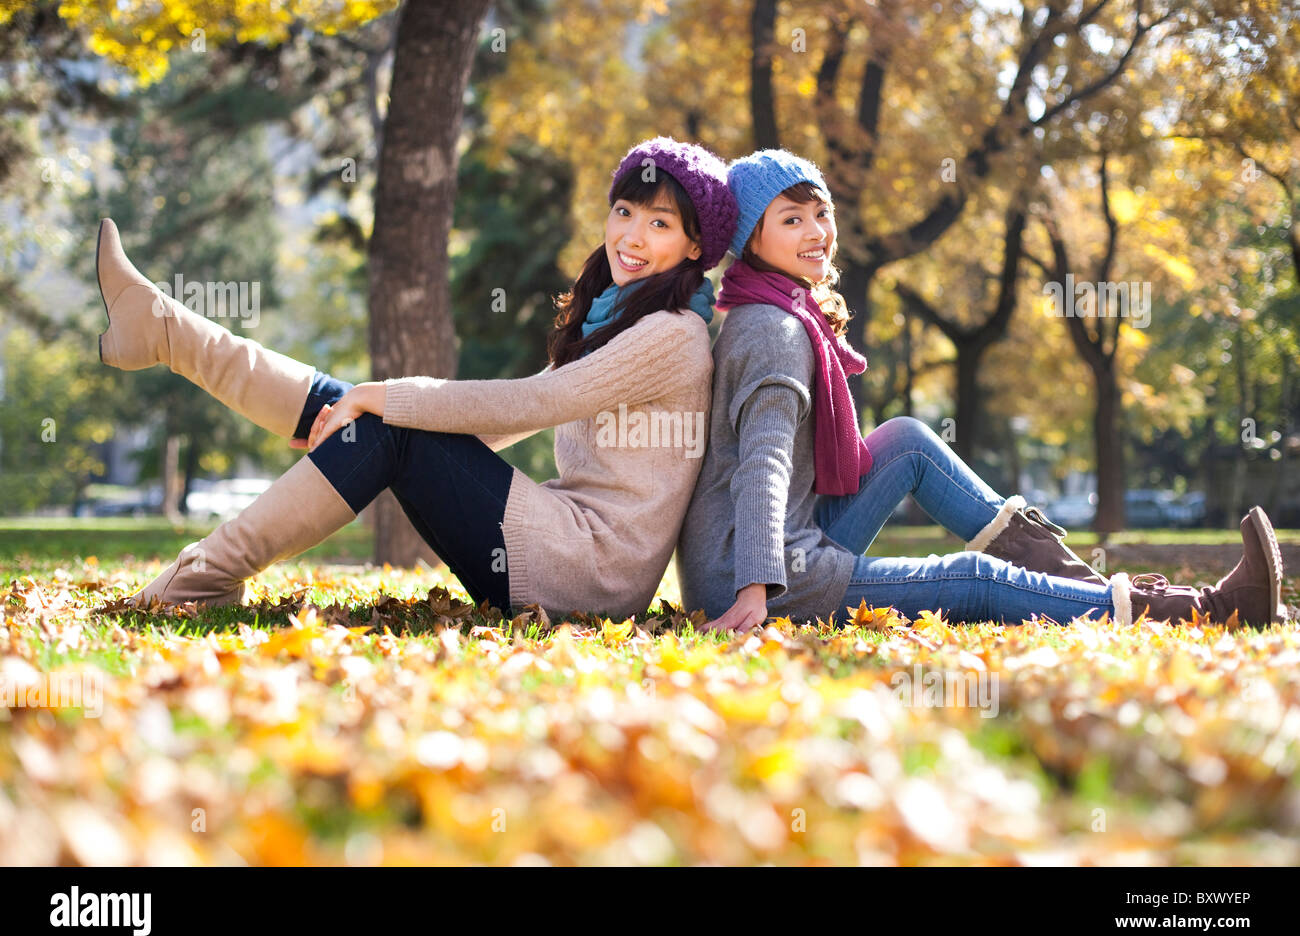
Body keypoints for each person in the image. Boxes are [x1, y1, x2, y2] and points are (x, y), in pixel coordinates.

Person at [96, 136, 739, 619]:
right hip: (567, 553)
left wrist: (388, 402)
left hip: (589, 573)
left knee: (388, 422)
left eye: (660, 224)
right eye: (625, 211)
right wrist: (380, 421)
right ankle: (169, 334)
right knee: (378, 421)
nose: (632, 234)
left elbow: (536, 399)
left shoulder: (672, 334)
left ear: (692, 249)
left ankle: (205, 572)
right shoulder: (619, 315)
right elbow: (525, 418)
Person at [677, 148, 1285, 631]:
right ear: (750, 242)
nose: (817, 232)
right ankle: (1204, 607)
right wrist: (754, 590)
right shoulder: (773, 331)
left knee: (909, 441)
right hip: (761, 573)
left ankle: (1089, 587)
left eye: (820, 213)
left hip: (782, 545)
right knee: (976, 578)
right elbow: (764, 464)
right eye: (791, 220)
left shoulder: (781, 308)